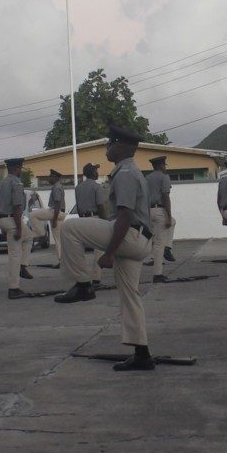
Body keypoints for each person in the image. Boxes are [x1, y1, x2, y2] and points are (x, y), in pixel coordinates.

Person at [54, 125, 155, 371]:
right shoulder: (130, 170)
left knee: (69, 228)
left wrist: (109, 253)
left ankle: (83, 284)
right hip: (140, 239)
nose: (106, 148)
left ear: (120, 146)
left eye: (109, 144)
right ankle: (142, 354)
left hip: (129, 235)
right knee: (130, 296)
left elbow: (125, 215)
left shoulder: (125, 173)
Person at [0, 157, 34, 299]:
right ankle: (14, 288)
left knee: (29, 236)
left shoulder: (0, 183)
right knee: (14, 255)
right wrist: (18, 228)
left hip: (2, 219)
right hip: (13, 219)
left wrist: (2, 226)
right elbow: (17, 207)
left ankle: (23, 266)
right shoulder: (16, 183)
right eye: (20, 168)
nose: (20, 171)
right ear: (16, 168)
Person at [74, 162, 108, 285]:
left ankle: (82, 278)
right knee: (98, 250)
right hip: (95, 218)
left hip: (83, 219)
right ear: (92, 173)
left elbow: (78, 207)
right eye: (96, 170)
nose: (97, 172)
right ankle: (96, 278)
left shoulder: (78, 187)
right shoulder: (96, 186)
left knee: (80, 251)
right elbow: (100, 206)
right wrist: (105, 222)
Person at [145, 156, 176, 282]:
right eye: (164, 165)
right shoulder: (164, 177)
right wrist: (168, 215)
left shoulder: (146, 178)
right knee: (159, 243)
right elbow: (165, 197)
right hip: (160, 210)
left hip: (148, 211)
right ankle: (158, 274)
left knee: (172, 222)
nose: (165, 167)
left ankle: (167, 247)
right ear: (161, 165)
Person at [29, 169, 66, 266]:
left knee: (32, 215)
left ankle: (40, 233)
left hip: (55, 212)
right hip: (59, 212)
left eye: (51, 177)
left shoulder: (56, 187)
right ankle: (62, 261)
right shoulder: (58, 186)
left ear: (55, 177)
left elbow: (57, 203)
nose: (49, 178)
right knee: (58, 239)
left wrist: (54, 219)